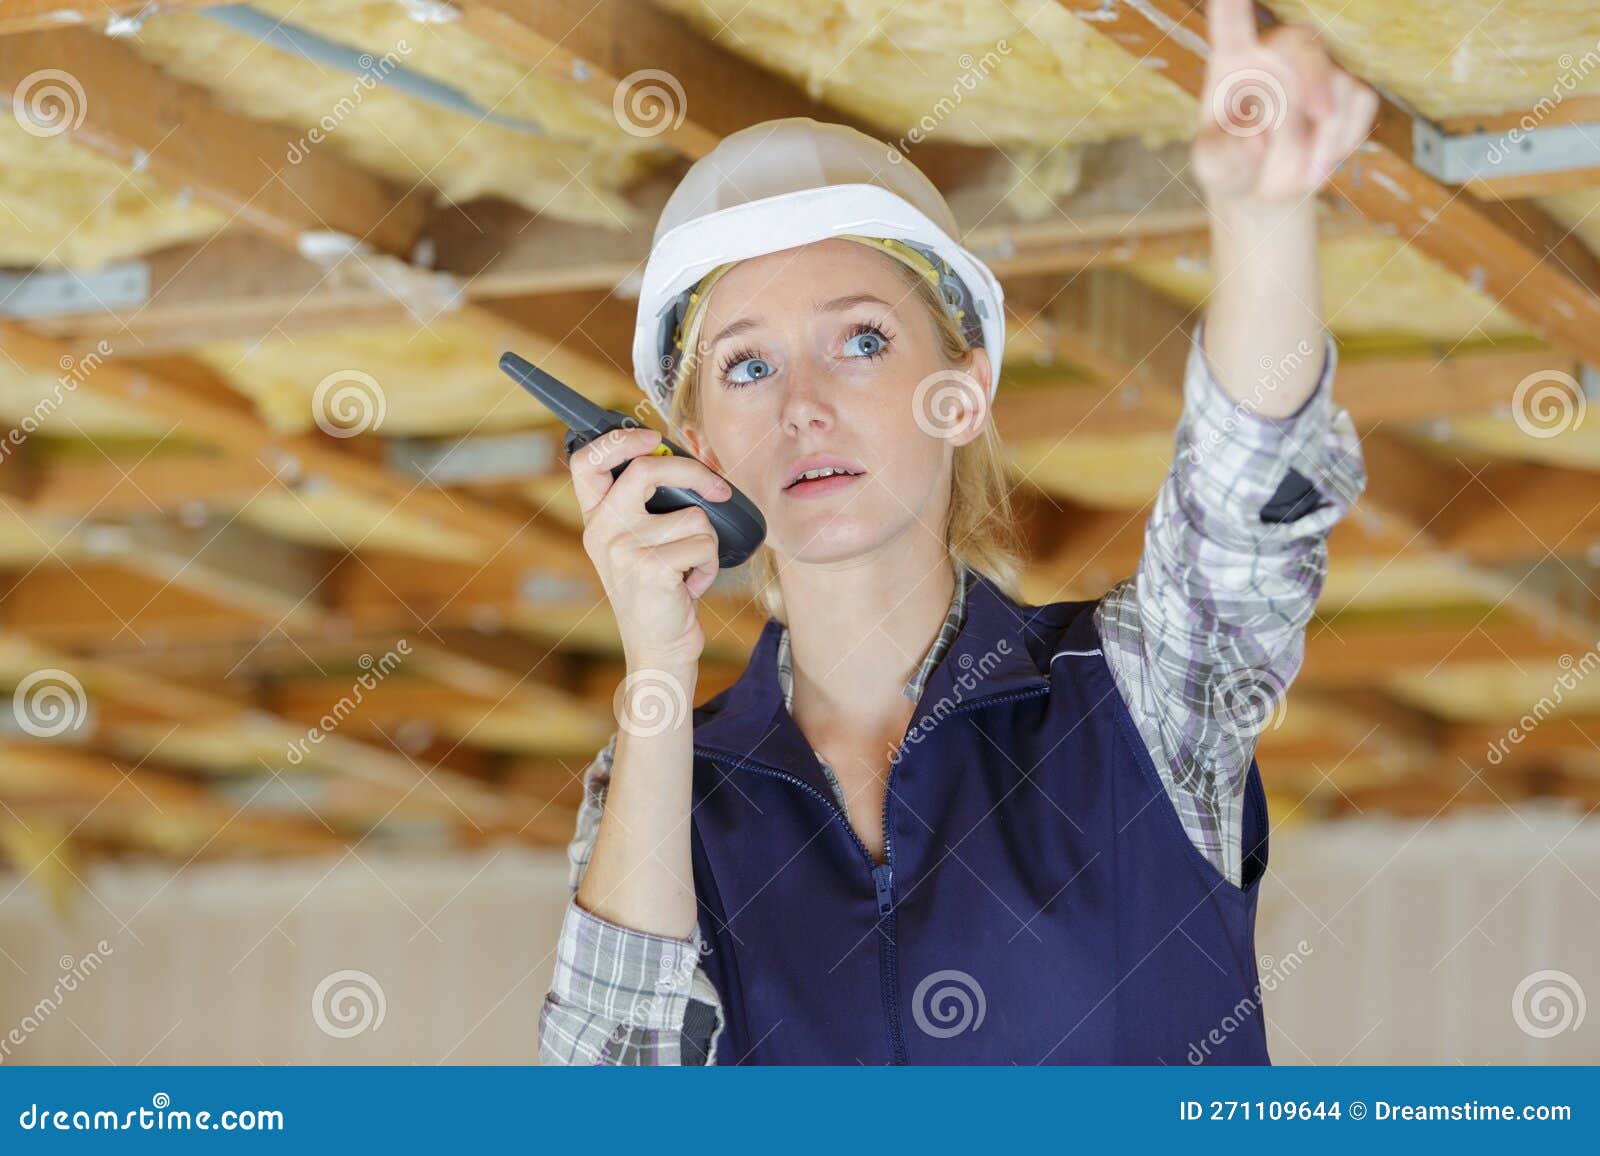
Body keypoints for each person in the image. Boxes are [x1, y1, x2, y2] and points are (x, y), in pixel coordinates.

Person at [539, 0, 1378, 1064]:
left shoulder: (1132, 694)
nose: (802, 403)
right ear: (696, 449)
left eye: (860, 340)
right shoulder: (667, 782)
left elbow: (1245, 498)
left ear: (963, 389)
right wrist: (656, 667)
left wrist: (1262, 222)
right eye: (749, 364)